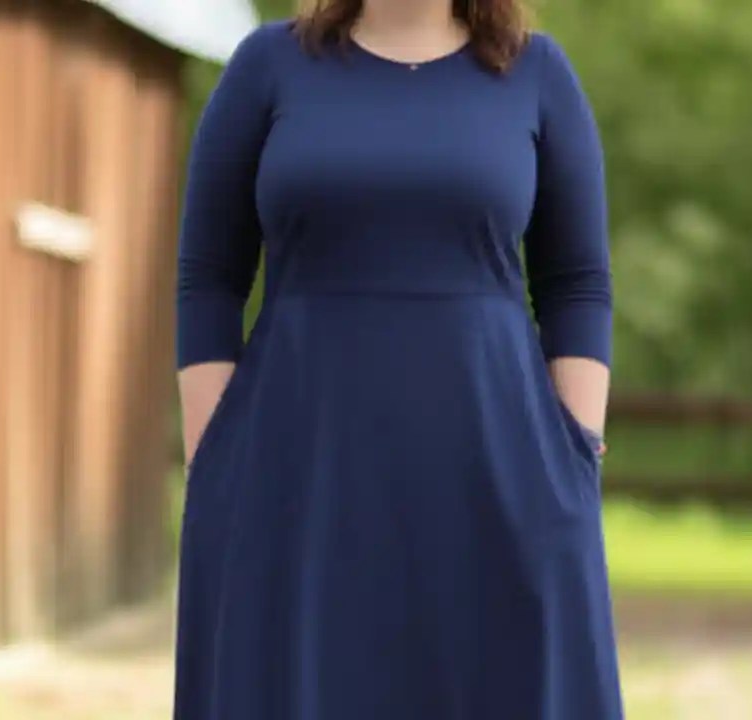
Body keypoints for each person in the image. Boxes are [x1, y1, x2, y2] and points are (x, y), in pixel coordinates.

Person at [173, 0, 621, 717]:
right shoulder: (269, 67)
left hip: (494, 467)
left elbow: (577, 285)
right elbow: (208, 279)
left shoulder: (536, 74)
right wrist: (215, 453)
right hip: (298, 467)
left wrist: (575, 453)